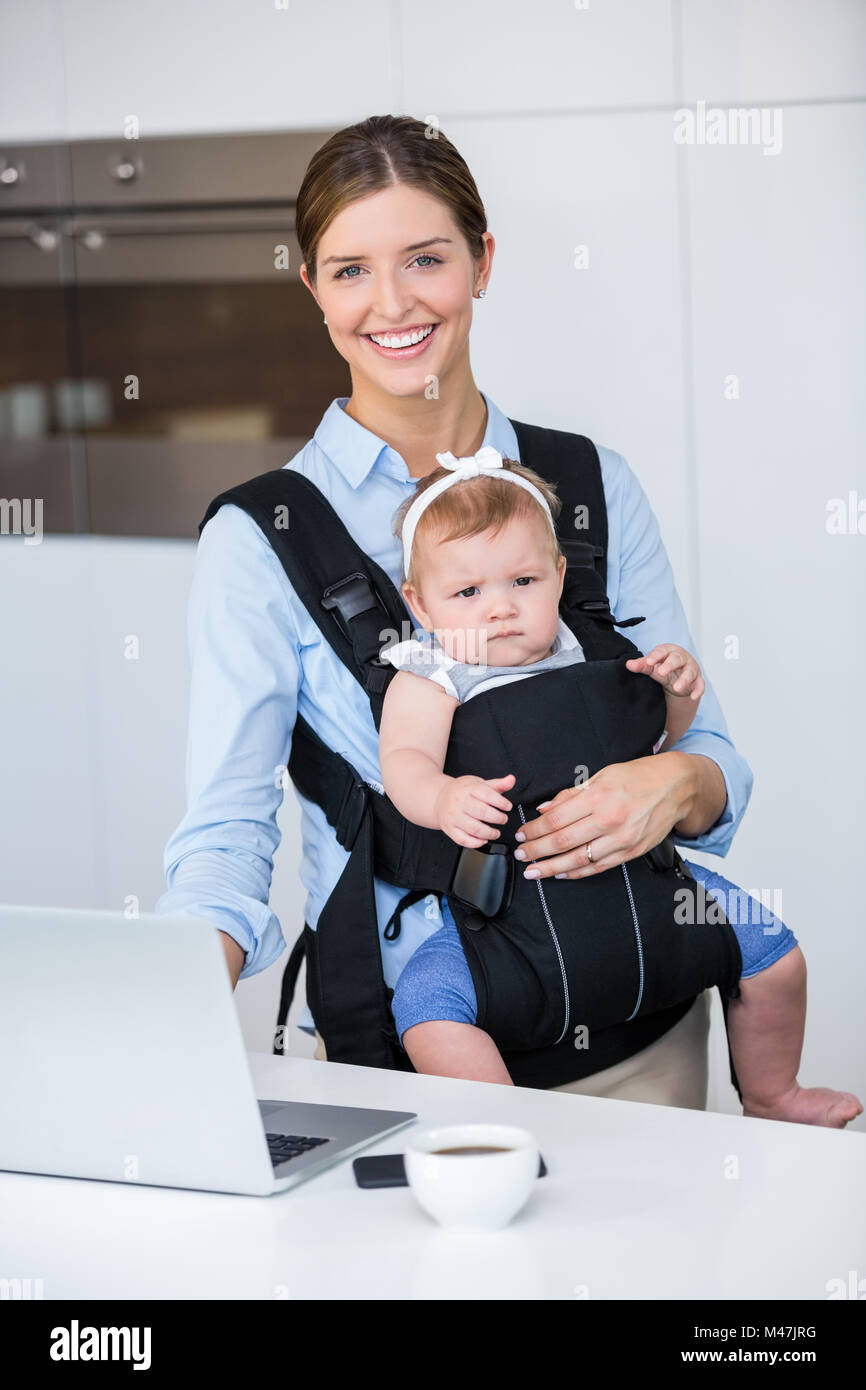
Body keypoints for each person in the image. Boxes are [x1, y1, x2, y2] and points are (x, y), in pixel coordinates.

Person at [158, 113, 772, 1107]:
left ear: (481, 263)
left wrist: (676, 780)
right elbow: (227, 834)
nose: (390, 302)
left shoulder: (585, 483)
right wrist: (157, 1031)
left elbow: (715, 761)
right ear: (310, 287)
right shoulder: (261, 535)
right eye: (349, 269)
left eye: (425, 259)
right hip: (414, 1056)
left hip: (639, 1039)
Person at [379, 447, 863, 1127]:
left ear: (559, 575)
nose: (500, 610)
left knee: (775, 958)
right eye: (468, 593)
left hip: (650, 888)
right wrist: (441, 798)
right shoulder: (431, 676)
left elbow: (662, 742)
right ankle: (505, 1131)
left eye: (523, 580)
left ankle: (773, 1093)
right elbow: (402, 762)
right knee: (427, 1013)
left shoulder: (592, 645)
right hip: (509, 920)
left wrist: (678, 689)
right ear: (418, 603)